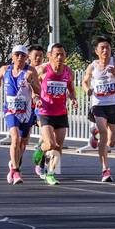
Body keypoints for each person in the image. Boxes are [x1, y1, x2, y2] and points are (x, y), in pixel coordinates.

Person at [83, 37, 115, 183]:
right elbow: (84, 81)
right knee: (104, 134)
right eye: (102, 48)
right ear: (96, 51)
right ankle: (105, 170)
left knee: (111, 142)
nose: (105, 50)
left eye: (108, 47)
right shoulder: (92, 66)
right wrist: (87, 89)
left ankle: (95, 133)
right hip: (98, 105)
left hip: (114, 105)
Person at [0, 45, 39, 184]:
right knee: (15, 138)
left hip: (26, 111)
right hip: (10, 110)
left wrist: (32, 84)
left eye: (23, 55)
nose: (20, 57)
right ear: (12, 56)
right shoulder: (5, 69)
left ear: (26, 58)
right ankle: (17, 172)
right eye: (17, 55)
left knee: (23, 143)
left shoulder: (30, 71)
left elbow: (39, 90)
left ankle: (13, 167)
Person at [33, 43, 77, 185]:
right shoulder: (42, 70)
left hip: (61, 112)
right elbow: (33, 85)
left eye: (62, 54)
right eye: (56, 54)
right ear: (49, 55)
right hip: (45, 111)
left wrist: (73, 98)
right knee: (50, 144)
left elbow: (71, 87)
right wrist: (36, 97)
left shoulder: (69, 72)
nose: (59, 57)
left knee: (58, 146)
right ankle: (40, 149)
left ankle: (50, 173)